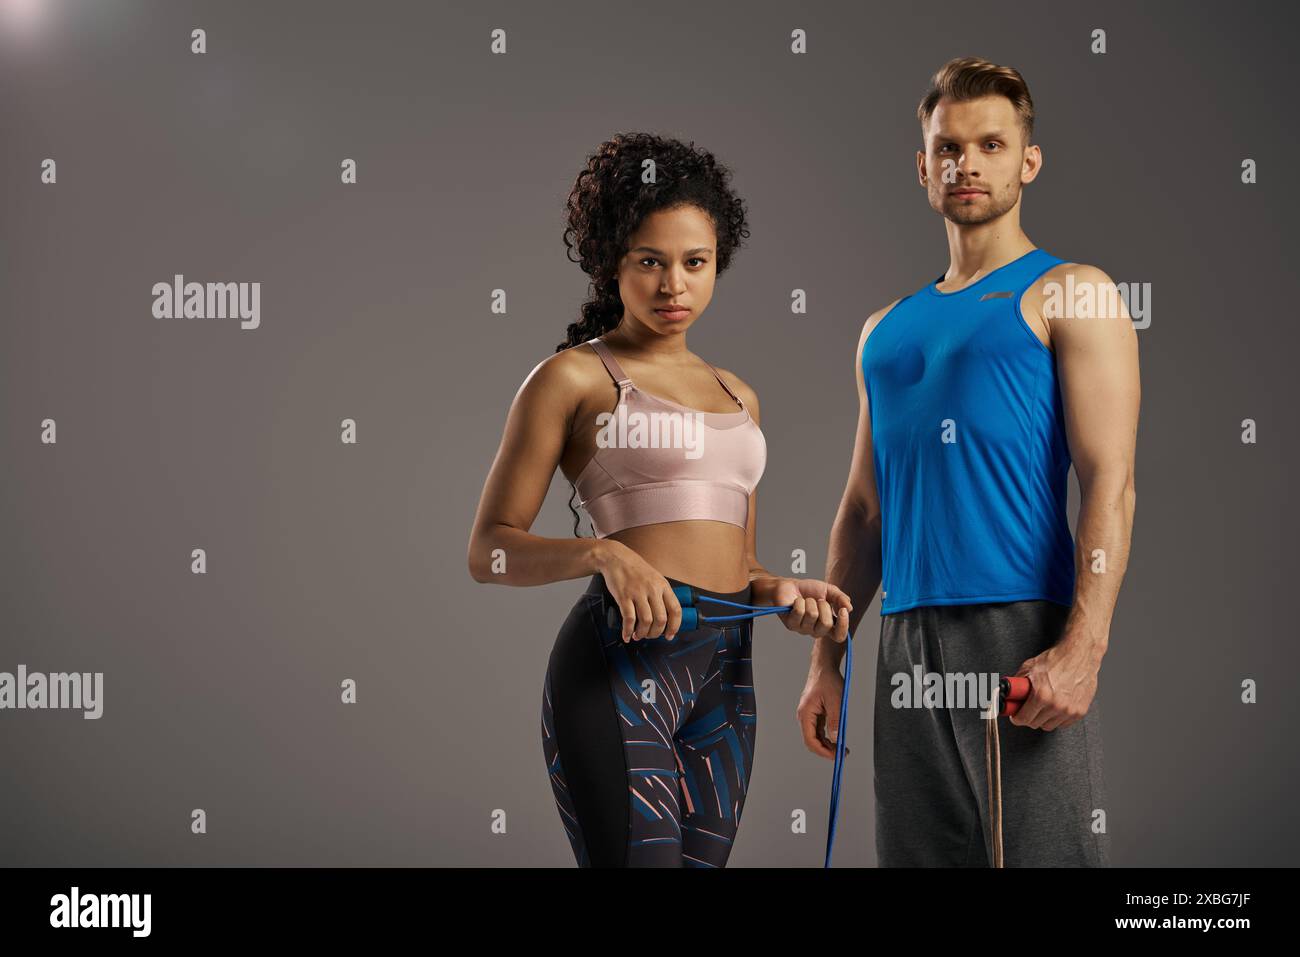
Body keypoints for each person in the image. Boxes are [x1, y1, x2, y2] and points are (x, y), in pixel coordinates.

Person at [468, 132, 850, 867]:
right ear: (613, 262)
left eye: (695, 263)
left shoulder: (740, 394)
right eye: (651, 261)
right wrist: (603, 553)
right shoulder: (575, 379)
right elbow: (487, 548)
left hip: (725, 680)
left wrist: (780, 589)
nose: (675, 284)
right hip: (619, 669)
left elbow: (739, 560)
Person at [801, 57, 1140, 866]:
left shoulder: (1073, 292)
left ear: (1028, 161)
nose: (967, 164)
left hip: (1019, 625)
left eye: (991, 144)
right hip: (904, 636)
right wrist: (826, 660)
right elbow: (864, 511)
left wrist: (1082, 646)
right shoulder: (884, 327)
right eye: (948, 148)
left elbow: (1112, 483)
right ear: (924, 166)